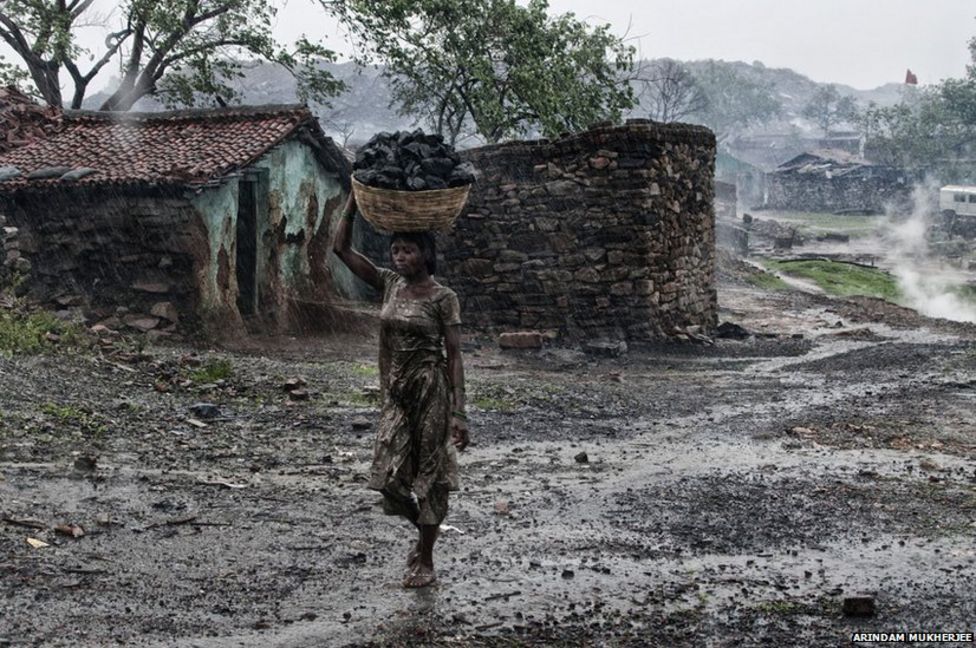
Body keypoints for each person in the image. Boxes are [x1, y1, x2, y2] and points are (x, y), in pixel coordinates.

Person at [332, 193, 470, 588]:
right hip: (396, 392)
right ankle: (425, 529)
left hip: (431, 392)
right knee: (389, 477)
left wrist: (460, 413)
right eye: (395, 250)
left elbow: (455, 355)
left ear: (426, 255)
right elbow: (340, 249)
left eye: (408, 250)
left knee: (432, 475)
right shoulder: (390, 284)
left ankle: (425, 558)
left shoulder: (444, 299)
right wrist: (353, 202)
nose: (399, 257)